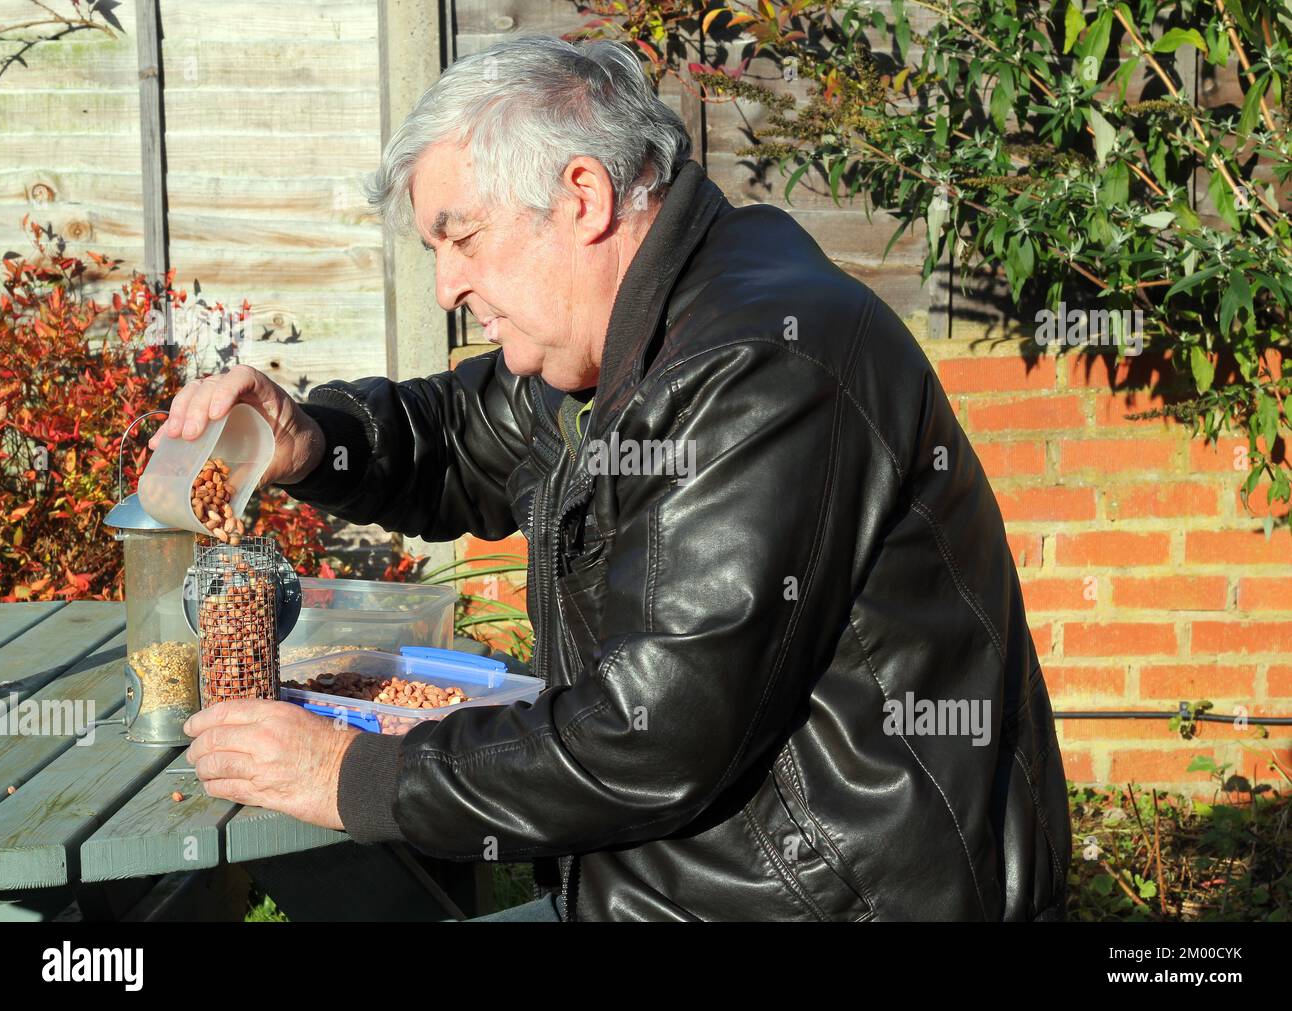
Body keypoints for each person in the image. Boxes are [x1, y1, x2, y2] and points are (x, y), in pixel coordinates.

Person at [154, 34, 1071, 921]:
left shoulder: (752, 369)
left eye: (462, 237)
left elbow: (653, 733)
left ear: (583, 196)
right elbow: (459, 435)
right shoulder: (624, 338)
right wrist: (316, 439)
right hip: (682, 880)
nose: (446, 287)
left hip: (816, 899)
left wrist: (347, 775)